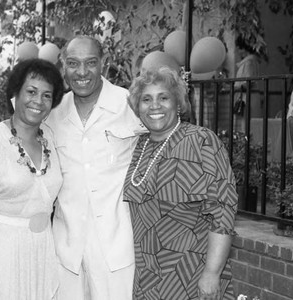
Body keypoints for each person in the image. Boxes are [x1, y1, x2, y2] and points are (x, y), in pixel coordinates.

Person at [45, 35, 145, 300]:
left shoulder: (129, 105)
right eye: (73, 63)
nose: (82, 72)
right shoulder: (53, 113)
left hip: (116, 247)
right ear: (63, 66)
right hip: (66, 249)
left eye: (90, 63)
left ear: (104, 63)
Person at [125, 67, 238, 299]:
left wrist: (212, 272)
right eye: (146, 99)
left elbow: (223, 211)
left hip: (191, 272)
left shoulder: (201, 141)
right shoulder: (138, 147)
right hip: (148, 275)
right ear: (138, 108)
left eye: (163, 97)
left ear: (178, 103)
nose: (154, 106)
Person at [0, 59, 65, 300]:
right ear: (15, 93)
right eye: (31, 91)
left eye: (47, 95)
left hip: (42, 253)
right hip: (1, 256)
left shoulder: (50, 137)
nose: (38, 101)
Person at [234, 36, 261, 131]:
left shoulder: (248, 63)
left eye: (238, 49)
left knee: (247, 127)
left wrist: (234, 88)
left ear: (243, 49)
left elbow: (249, 83)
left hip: (247, 99)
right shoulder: (251, 61)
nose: (237, 52)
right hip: (250, 97)